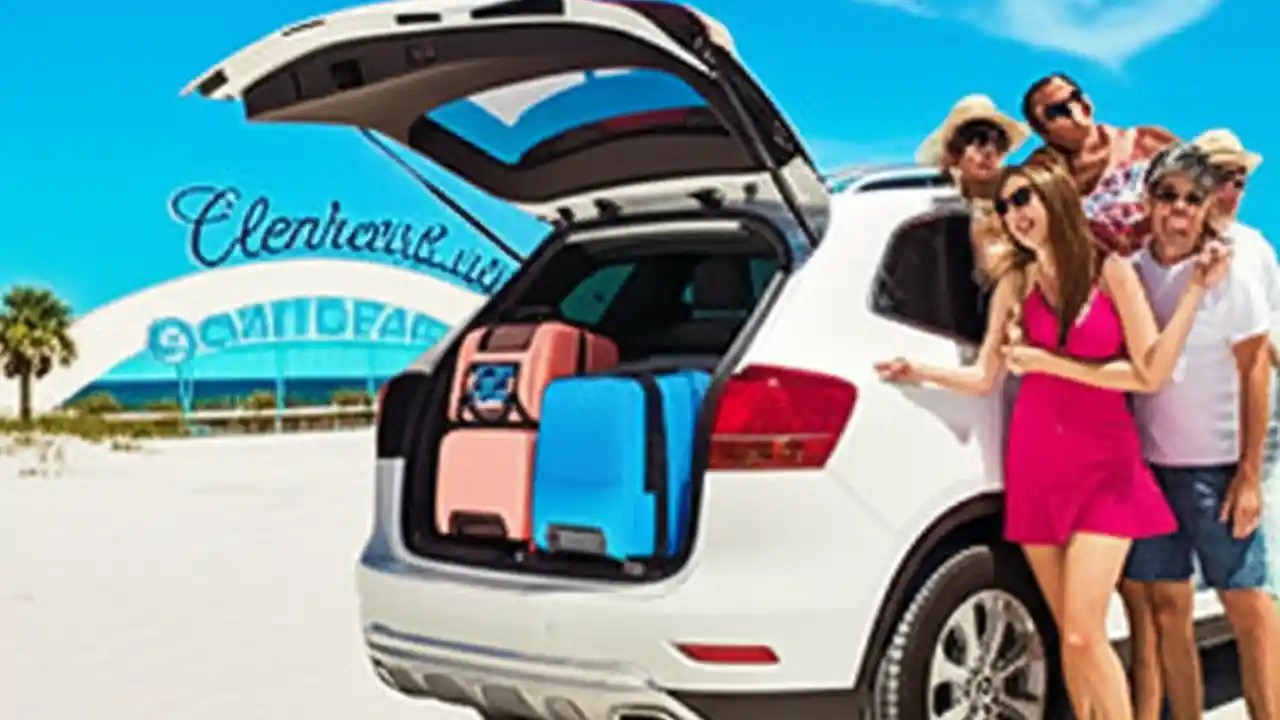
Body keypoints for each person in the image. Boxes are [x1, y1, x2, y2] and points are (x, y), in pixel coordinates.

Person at [875, 160, 1229, 719]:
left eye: (1024, 199)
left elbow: (1149, 373)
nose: (1014, 213)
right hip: (1036, 465)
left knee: (1088, 635)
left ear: (1057, 199)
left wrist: (1189, 296)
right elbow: (987, 376)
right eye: (1007, 205)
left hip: (1106, 468)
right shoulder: (1015, 283)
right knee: (1068, 635)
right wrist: (916, 369)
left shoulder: (1111, 272)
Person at [1020, 73, 1178, 257]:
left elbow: (1206, 189)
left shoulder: (1149, 142)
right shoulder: (1038, 177)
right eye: (1057, 110)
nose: (1074, 108)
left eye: (1075, 97)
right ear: (1042, 131)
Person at [915, 94, 1031, 282]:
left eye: (999, 142)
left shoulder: (1024, 202)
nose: (989, 151)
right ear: (954, 151)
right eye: (978, 139)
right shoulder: (938, 211)